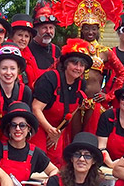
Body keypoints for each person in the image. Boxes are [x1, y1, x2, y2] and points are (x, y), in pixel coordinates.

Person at [51, 0, 124, 102]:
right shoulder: (72, 49)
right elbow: (55, 69)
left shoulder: (106, 52)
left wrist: (109, 95)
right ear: (81, 30)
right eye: (86, 29)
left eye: (93, 29)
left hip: (95, 102)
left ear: (99, 30)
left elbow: (122, 74)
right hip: (72, 101)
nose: (90, 32)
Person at [31, 38, 90, 168]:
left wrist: (57, 134)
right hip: (39, 126)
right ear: (66, 64)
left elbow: (70, 114)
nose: (78, 68)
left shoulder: (81, 84)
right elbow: (36, 108)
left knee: (57, 163)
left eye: (82, 65)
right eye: (75, 64)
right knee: (38, 160)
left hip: (57, 130)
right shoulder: (50, 79)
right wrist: (49, 130)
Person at [28, 0, 61, 80]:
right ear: (36, 29)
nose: (48, 31)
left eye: (51, 28)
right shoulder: (27, 48)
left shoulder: (56, 50)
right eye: (44, 28)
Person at [9, 13, 37, 83]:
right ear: (12, 36)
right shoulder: (7, 53)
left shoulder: (28, 54)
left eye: (26, 36)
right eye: (20, 35)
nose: (23, 39)